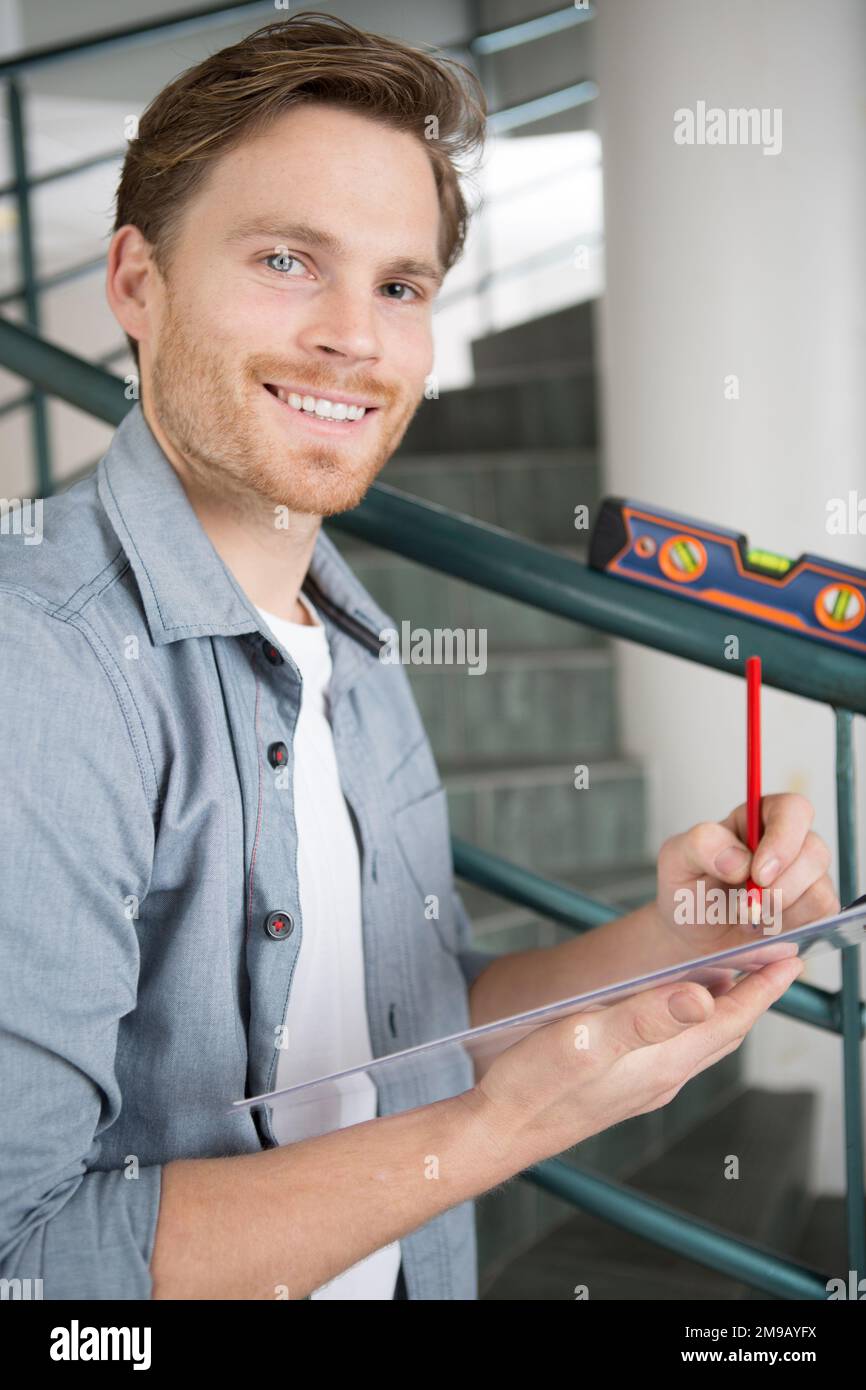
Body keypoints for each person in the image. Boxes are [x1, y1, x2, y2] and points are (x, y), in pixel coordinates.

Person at [0, 12, 839, 1302]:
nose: (357, 335)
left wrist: (675, 931)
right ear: (136, 282)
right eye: (287, 259)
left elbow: (414, 1018)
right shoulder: (38, 667)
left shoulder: (349, 639)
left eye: (400, 285)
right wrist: (513, 1128)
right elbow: (30, 1266)